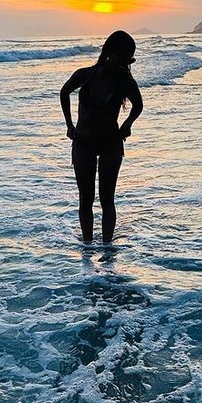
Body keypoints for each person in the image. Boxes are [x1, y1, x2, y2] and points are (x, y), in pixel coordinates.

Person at [60, 30, 143, 244]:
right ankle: (87, 248)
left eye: (128, 60)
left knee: (107, 200)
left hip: (111, 144)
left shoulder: (125, 82)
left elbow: (139, 105)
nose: (124, 63)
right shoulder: (85, 74)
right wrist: (69, 125)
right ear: (109, 52)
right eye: (122, 58)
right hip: (83, 143)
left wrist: (127, 124)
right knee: (85, 199)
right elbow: (64, 92)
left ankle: (107, 248)